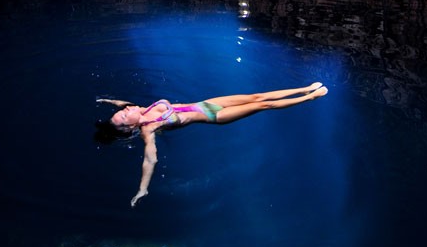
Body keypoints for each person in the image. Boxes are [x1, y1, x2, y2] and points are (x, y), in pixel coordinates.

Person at [95, 82, 328, 206]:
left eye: (125, 110)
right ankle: (310, 97)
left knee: (257, 96)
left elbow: (123, 103)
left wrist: (109, 101)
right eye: (125, 115)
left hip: (206, 103)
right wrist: (143, 189)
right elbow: (150, 158)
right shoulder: (148, 129)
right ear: (131, 128)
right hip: (214, 116)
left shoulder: (141, 109)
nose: (126, 110)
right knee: (262, 106)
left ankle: (304, 88)